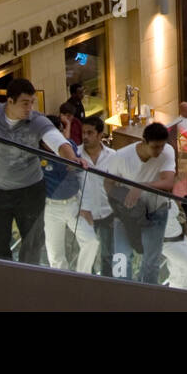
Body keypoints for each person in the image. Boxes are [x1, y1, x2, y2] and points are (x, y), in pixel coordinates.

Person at [0, 78, 85, 264]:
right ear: (10, 101)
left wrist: (70, 157)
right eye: (25, 103)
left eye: (32, 102)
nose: (29, 108)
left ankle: (27, 281)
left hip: (30, 191)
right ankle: (2, 280)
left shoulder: (36, 120)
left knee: (32, 243)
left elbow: (57, 140)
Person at [103, 121, 177, 285]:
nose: (159, 151)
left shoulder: (167, 152)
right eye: (155, 147)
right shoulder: (121, 156)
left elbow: (168, 182)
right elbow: (108, 183)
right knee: (121, 258)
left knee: (151, 262)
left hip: (155, 212)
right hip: (125, 213)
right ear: (144, 142)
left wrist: (142, 187)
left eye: (162, 146)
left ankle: (146, 298)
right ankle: (121, 294)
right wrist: (120, 204)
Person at [41, 113, 100, 274]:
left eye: (61, 132)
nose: (59, 137)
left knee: (91, 241)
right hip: (51, 208)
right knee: (55, 253)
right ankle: (62, 284)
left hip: (74, 204)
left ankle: (82, 275)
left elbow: (82, 176)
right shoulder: (36, 153)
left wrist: (85, 205)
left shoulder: (70, 148)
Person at [79, 116, 118, 276]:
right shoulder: (75, 154)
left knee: (108, 254)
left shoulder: (113, 155)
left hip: (108, 212)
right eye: (83, 133)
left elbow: (118, 184)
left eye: (90, 132)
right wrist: (81, 208)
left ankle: (108, 288)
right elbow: (72, 184)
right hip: (85, 213)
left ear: (100, 134)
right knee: (87, 253)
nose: (85, 136)